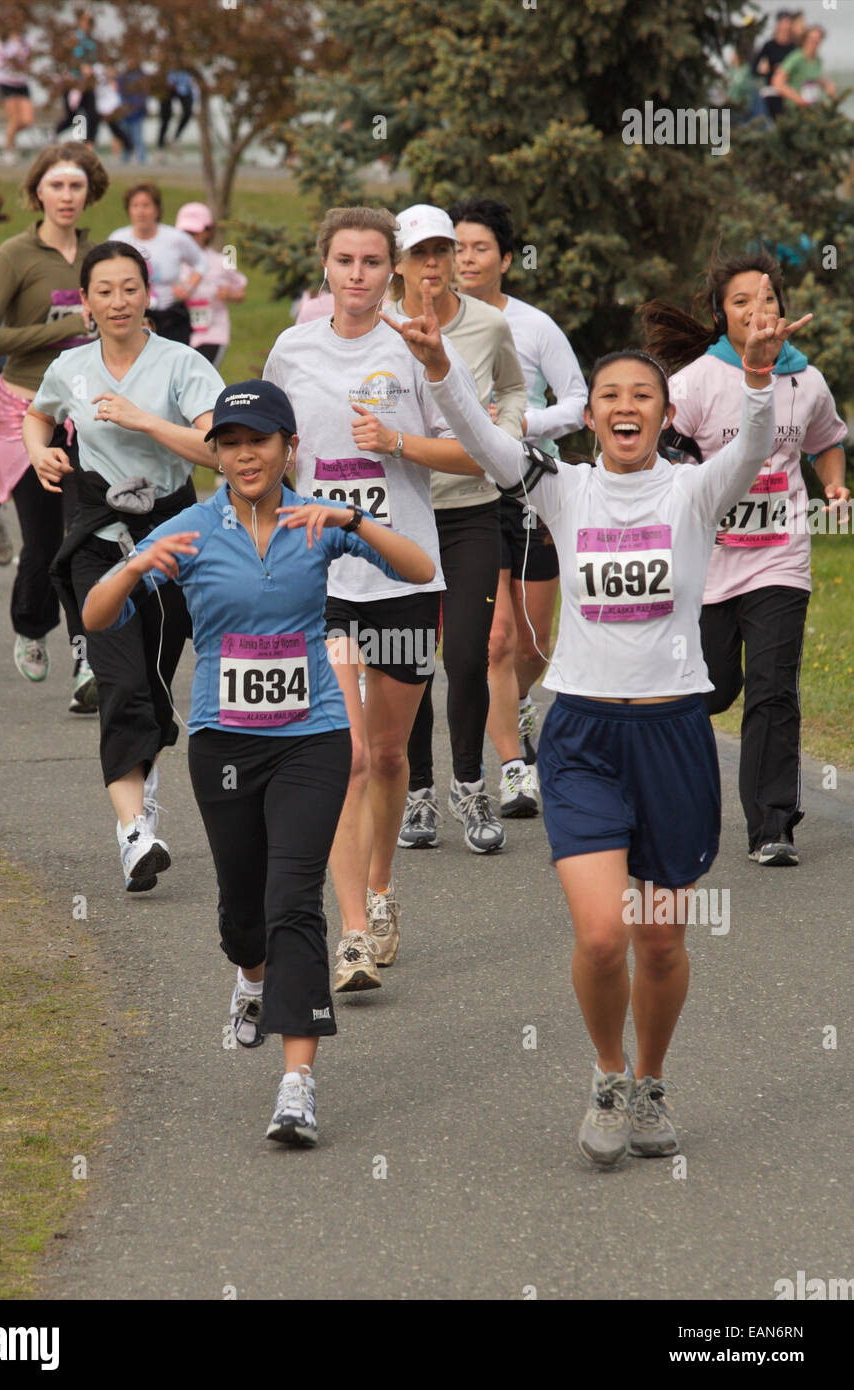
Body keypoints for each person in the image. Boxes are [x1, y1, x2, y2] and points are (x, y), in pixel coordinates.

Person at [390, 276, 807, 1164]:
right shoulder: (561, 487)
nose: (625, 408)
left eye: (642, 397)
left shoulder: (696, 492)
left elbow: (758, 444)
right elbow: (482, 438)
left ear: (665, 416)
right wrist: (437, 371)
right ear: (591, 418)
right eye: (611, 396)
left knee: (659, 941)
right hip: (581, 735)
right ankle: (608, 1072)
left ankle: (652, 1081)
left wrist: (761, 379)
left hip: (672, 735)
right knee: (600, 931)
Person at [82, 380, 435, 1145]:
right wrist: (134, 568)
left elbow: (416, 567)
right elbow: (95, 615)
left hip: (312, 738)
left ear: (288, 448)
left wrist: (353, 521)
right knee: (245, 912)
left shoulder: (317, 519)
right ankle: (248, 978)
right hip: (225, 744)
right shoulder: (194, 529)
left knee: (292, 901)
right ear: (216, 456)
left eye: (261, 441)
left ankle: (297, 1084)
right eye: (231, 443)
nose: (246, 454)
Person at [263, 205, 483, 989]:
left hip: (402, 576)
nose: (356, 275)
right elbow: (270, 450)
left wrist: (397, 444)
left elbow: (474, 450)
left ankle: (383, 887)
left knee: (390, 754)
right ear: (323, 266)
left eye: (370, 263)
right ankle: (350, 932)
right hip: (322, 580)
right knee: (347, 755)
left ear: (391, 271)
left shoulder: (417, 347)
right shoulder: (291, 350)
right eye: (343, 261)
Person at [24, 241, 224, 893]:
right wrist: (42, 454)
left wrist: (145, 421)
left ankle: (142, 789)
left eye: (130, 288)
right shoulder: (72, 368)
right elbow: (38, 414)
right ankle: (134, 831)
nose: (118, 301)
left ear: (148, 295)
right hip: (94, 538)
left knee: (155, 685)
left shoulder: (181, 364)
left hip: (167, 536)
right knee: (119, 680)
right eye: (103, 290)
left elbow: (220, 450)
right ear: (84, 301)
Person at [640, 251, 848, 867]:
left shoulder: (805, 380)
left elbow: (826, 442)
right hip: (709, 565)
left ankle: (772, 825)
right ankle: (647, 754)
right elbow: (663, 454)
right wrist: (694, 494)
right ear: (720, 314)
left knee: (773, 687)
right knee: (714, 685)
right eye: (742, 302)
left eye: (768, 301)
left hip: (780, 557)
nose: (759, 312)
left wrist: (833, 485)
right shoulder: (698, 381)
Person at [390, 203, 526, 854]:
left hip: (472, 509)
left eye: (442, 251)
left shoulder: (490, 324)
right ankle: (417, 792)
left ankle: (469, 787)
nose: (434, 265)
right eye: (420, 253)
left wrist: (511, 429)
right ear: (399, 263)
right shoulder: (377, 329)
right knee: (413, 659)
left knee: (468, 655)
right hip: (405, 512)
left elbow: (515, 388)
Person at [451, 196, 586, 817]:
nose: (466, 258)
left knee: (534, 641)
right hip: (469, 493)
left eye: (480, 248)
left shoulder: (531, 326)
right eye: (456, 247)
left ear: (506, 259)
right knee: (497, 639)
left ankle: (514, 704)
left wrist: (523, 421)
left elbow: (580, 402)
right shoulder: (435, 325)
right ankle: (512, 768)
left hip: (533, 488)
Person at [0, 141, 108, 710]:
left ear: (89, 191)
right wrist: (65, 328)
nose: (67, 196)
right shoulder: (15, 255)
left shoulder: (101, 255)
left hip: (85, 414)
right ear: (38, 192)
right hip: (26, 410)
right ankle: (30, 622)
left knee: (83, 535)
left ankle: (86, 658)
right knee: (44, 537)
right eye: (56, 186)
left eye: (77, 186)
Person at [110, 183, 206, 345]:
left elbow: (201, 262)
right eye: (135, 206)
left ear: (157, 209)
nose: (141, 211)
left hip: (170, 317)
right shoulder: (118, 239)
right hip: (133, 316)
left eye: (146, 205)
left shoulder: (175, 238)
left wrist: (188, 287)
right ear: (129, 210)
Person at [174, 202, 247, 369]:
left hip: (212, 333)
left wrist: (229, 295)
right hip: (179, 331)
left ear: (208, 231)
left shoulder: (221, 261)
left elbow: (241, 292)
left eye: (194, 233)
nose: (188, 238)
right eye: (185, 233)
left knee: (200, 376)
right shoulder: (173, 262)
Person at [55, 9, 98, 146]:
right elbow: (69, 58)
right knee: (72, 117)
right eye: (84, 21)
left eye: (89, 22)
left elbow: (94, 60)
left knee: (92, 115)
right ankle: (54, 134)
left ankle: (88, 145)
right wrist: (81, 67)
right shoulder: (73, 39)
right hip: (73, 84)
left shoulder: (92, 41)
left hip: (87, 84)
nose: (86, 24)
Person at [0, 26, 34, 164]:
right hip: (7, 83)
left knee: (27, 120)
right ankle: (9, 150)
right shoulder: (3, 43)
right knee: (14, 118)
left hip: (22, 83)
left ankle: (7, 138)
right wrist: (11, 62)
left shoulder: (26, 42)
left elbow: (30, 60)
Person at [774, 26, 836, 109]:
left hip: (812, 107)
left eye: (817, 40)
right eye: (812, 39)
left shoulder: (818, 60)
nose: (814, 42)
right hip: (795, 108)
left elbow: (813, 77)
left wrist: (827, 84)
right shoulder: (796, 57)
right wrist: (797, 98)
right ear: (805, 39)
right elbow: (777, 82)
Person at [752, 9, 796, 122]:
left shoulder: (794, 47)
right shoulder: (769, 46)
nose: (786, 26)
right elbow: (754, 69)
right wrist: (765, 71)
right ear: (778, 24)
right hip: (771, 90)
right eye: (784, 23)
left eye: (789, 23)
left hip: (789, 90)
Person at [118, 65, 149, 166]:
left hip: (136, 112)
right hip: (125, 113)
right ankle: (126, 157)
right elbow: (119, 93)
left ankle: (141, 158)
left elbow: (144, 96)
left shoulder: (141, 77)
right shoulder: (123, 78)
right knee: (126, 136)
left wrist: (137, 107)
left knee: (137, 136)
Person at [157, 70, 195, 151]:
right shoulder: (164, 67)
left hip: (183, 88)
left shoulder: (185, 66)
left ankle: (175, 137)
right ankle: (160, 147)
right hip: (167, 88)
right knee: (165, 118)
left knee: (188, 112)